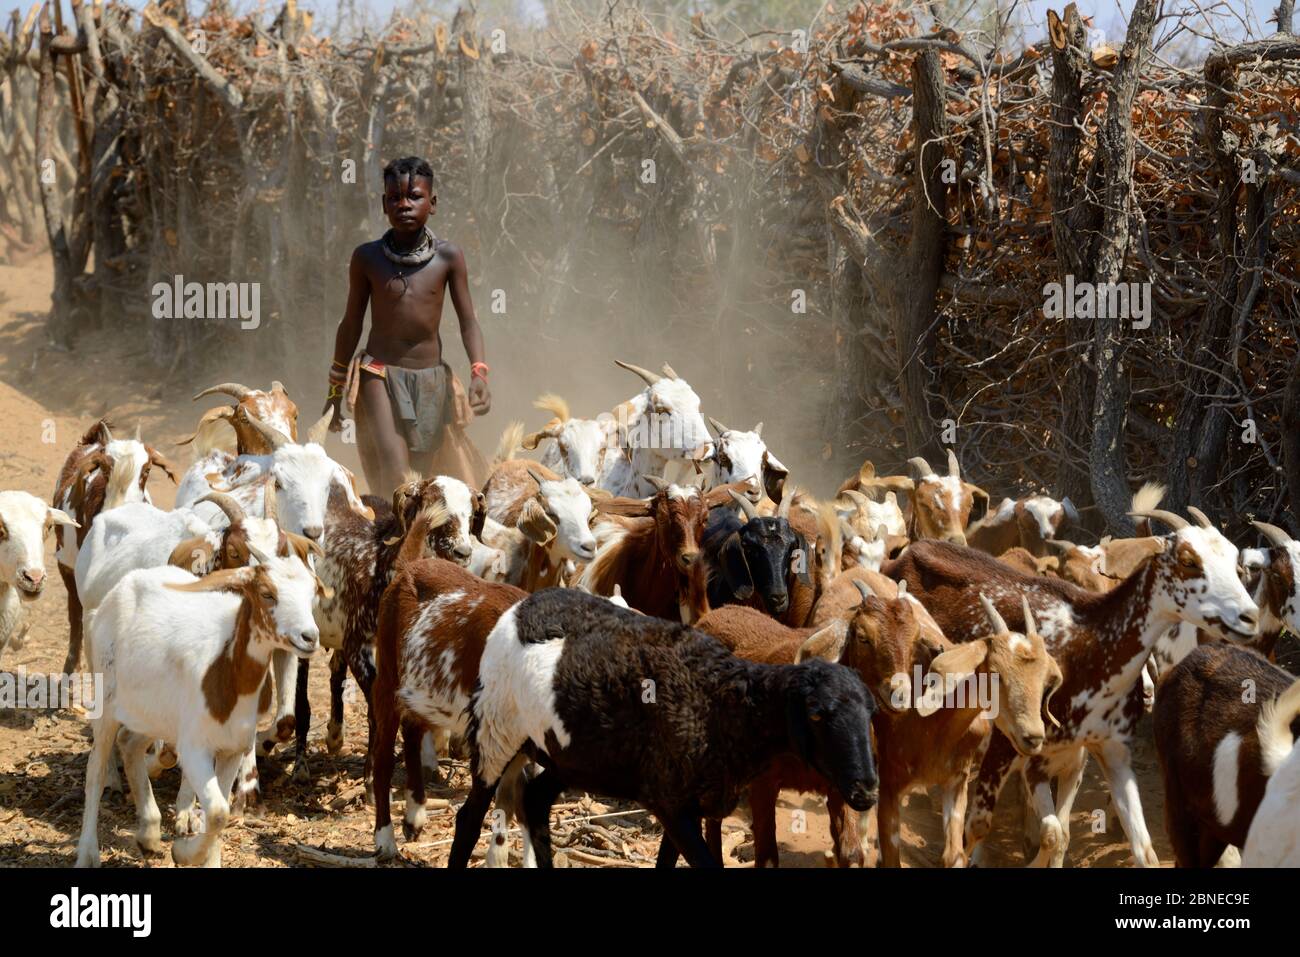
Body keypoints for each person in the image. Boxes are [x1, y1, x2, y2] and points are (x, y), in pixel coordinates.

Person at [324, 156, 491, 497]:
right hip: (378, 373)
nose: (403, 205)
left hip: (431, 381)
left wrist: (479, 373)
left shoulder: (449, 257)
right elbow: (351, 323)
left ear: (433, 203)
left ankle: (407, 542)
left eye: (414, 196)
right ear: (384, 204)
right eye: (394, 197)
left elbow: (468, 321)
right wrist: (334, 390)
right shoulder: (367, 258)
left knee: (421, 475)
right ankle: (389, 544)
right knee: (399, 470)